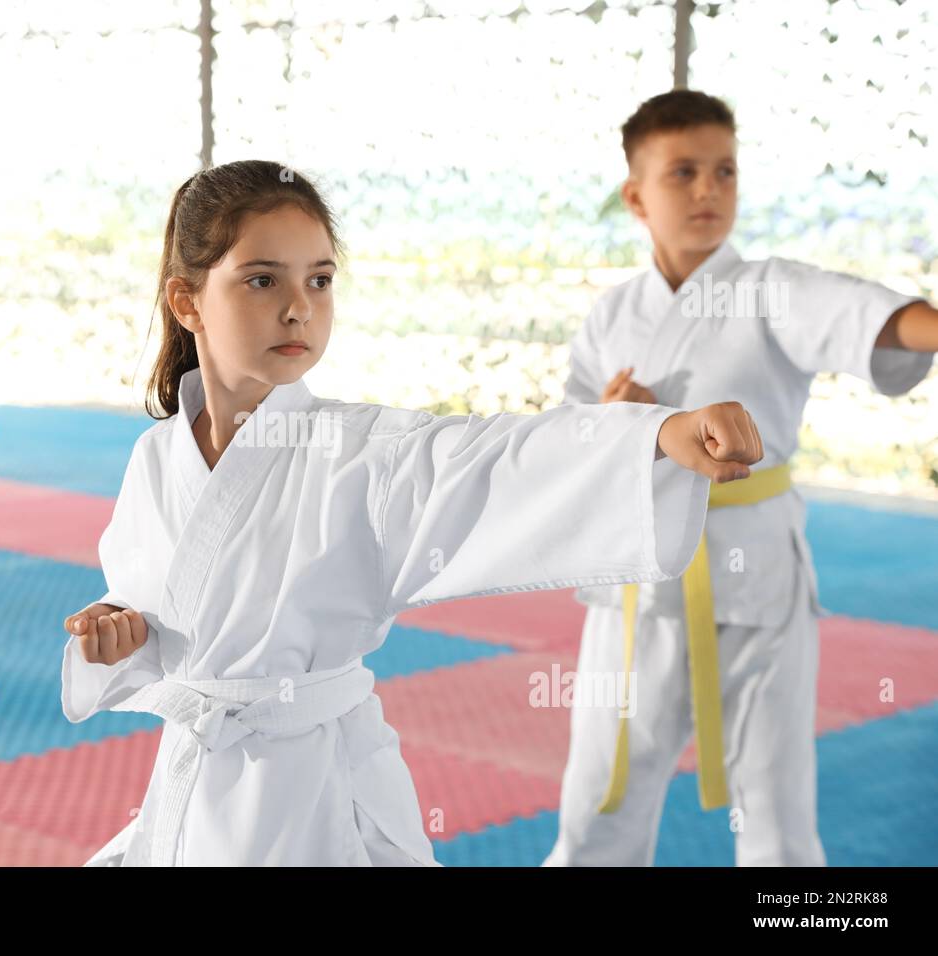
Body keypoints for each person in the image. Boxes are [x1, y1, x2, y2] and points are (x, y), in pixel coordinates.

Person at [60, 158, 765, 866]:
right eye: (262, 279)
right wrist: (116, 633)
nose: (299, 305)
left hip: (315, 795)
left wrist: (656, 437)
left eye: (320, 280)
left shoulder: (363, 454)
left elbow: (489, 459)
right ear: (187, 302)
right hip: (193, 786)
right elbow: (157, 607)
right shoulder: (157, 458)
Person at [545, 89, 938, 867]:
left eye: (724, 171)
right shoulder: (610, 316)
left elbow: (872, 318)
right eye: (683, 172)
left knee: (778, 816)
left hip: (757, 576)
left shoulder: (772, 287)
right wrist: (615, 421)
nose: (707, 191)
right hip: (637, 581)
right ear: (636, 196)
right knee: (598, 803)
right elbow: (562, 445)